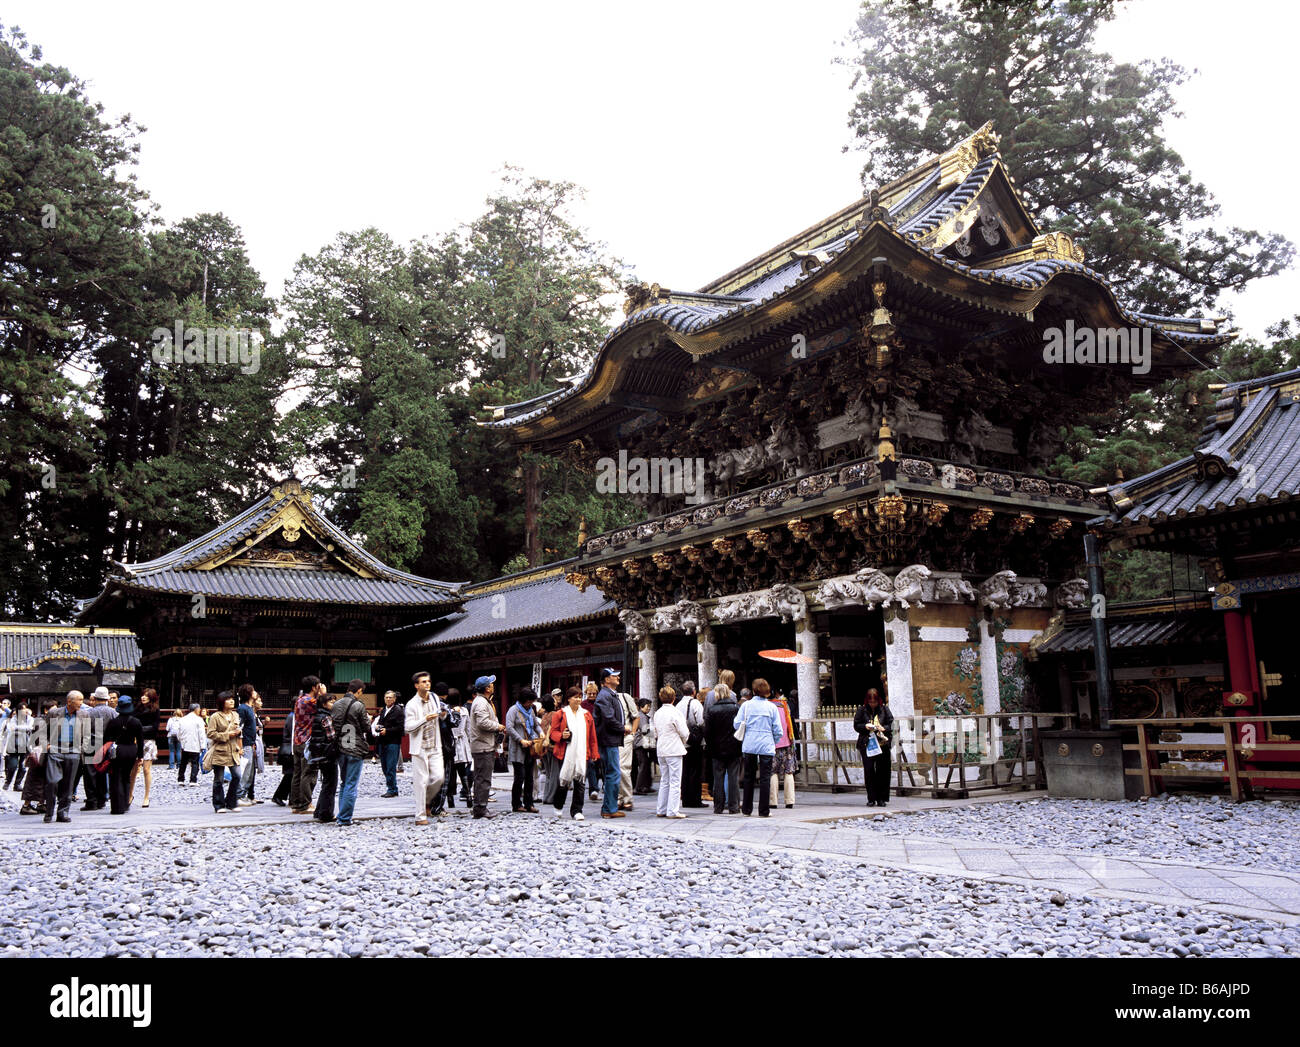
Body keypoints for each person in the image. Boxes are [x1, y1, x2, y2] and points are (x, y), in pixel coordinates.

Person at [735, 678, 783, 818]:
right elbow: (778, 730)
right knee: (765, 778)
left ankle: (747, 809)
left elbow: (736, 724)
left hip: (750, 743)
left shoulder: (746, 706)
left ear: (753, 691)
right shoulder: (772, 707)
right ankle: (764, 810)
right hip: (766, 744)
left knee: (748, 777)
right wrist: (773, 741)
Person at [43, 690, 94, 823]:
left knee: (68, 784)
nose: (82, 703)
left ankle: (63, 813)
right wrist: (46, 744)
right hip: (56, 749)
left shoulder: (84, 714)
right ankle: (48, 812)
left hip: (74, 750)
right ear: (70, 701)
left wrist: (82, 748)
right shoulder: (55, 713)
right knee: (52, 782)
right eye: (80, 700)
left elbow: (87, 734)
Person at [549, 685, 599, 820]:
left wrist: (594, 753)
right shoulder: (560, 714)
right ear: (569, 699)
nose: (578, 700)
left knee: (580, 782)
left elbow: (592, 736)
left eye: (579, 697)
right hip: (565, 752)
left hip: (582, 752)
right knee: (563, 781)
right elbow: (552, 733)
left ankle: (577, 810)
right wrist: (561, 736)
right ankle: (558, 806)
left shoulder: (586, 715)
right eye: (575, 697)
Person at [406, 672, 445, 825]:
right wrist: (424, 719)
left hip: (435, 744)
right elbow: (408, 727)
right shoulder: (411, 704)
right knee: (420, 781)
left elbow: (441, 716)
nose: (427, 684)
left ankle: (426, 800)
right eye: (423, 682)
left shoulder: (435, 698)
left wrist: (443, 714)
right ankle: (420, 816)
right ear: (417, 685)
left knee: (439, 777)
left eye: (428, 681)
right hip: (420, 747)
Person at [333, 679, 373, 827]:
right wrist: (368, 719)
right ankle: (344, 818)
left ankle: (341, 814)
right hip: (355, 746)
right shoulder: (358, 705)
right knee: (351, 783)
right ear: (359, 691)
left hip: (341, 745)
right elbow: (366, 727)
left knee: (344, 783)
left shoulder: (336, 704)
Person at [467, 675, 505, 820]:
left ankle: (479, 807)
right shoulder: (481, 703)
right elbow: (483, 722)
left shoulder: (481, 701)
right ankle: (481, 808)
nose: (493, 685)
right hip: (483, 745)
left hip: (482, 744)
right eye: (491, 684)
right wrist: (498, 726)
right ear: (487, 688)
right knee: (483, 779)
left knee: (480, 778)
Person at [592, 669, 628, 819]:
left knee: (612, 773)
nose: (618, 677)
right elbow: (608, 718)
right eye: (614, 676)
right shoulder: (604, 696)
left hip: (610, 739)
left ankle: (609, 807)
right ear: (606, 680)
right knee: (613, 773)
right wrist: (622, 728)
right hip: (608, 739)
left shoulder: (609, 694)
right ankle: (609, 808)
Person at [290, 676, 325, 814]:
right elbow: (327, 707)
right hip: (307, 741)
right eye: (318, 685)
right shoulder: (310, 701)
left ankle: (296, 804)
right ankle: (305, 803)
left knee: (298, 773)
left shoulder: (299, 699)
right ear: (314, 687)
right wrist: (323, 694)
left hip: (297, 740)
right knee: (309, 773)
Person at [704, 683, 741, 814]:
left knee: (718, 778)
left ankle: (718, 806)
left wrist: (710, 745)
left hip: (716, 748)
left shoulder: (712, 710)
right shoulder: (736, 708)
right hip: (734, 746)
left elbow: (707, 732)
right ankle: (734, 806)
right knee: (733, 777)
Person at [653, 686, 689, 819]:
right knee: (675, 781)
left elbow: (655, 732)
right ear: (674, 698)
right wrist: (683, 740)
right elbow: (684, 732)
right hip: (673, 748)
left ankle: (661, 809)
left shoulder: (657, 713)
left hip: (661, 748)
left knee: (664, 780)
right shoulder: (675, 712)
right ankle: (673, 810)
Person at [854, 688, 894, 806]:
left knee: (883, 771)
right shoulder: (862, 710)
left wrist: (884, 728)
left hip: (882, 744)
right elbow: (856, 725)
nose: (873, 704)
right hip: (867, 743)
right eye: (871, 702)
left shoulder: (884, 710)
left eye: (874, 702)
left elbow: (892, 724)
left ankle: (882, 798)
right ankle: (871, 798)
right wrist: (865, 726)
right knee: (869, 771)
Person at [104, 696, 143, 815]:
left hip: (117, 750)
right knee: (127, 777)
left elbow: (106, 739)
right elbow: (140, 740)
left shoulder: (113, 722)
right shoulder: (136, 722)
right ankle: (126, 803)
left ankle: (117, 806)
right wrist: (140, 756)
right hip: (131, 750)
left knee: (116, 778)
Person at [206, 692, 243, 814]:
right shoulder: (215, 717)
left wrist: (239, 741)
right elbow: (210, 734)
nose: (232, 701)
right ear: (222, 702)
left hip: (233, 749)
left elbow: (239, 732)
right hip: (220, 751)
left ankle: (231, 802)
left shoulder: (235, 715)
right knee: (219, 779)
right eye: (228, 700)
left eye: (232, 699)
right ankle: (218, 804)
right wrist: (227, 735)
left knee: (237, 776)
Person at [19, 699, 57, 815]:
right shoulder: (40, 721)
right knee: (34, 780)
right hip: (40, 754)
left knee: (43, 780)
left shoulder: (49, 721)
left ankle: (41, 803)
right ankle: (26, 805)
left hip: (45, 753)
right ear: (46, 710)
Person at [506, 687, 541, 814]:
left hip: (530, 747)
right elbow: (509, 728)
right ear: (523, 700)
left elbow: (536, 725)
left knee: (530, 777)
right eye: (529, 702)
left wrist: (541, 734)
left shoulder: (530, 710)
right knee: (519, 777)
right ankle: (516, 804)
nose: (530, 704)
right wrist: (521, 740)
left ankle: (529, 803)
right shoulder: (513, 710)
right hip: (518, 749)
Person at [82, 687, 117, 810]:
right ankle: (102, 799)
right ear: (107, 699)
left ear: (95, 698)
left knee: (90, 772)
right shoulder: (113, 712)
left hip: (91, 743)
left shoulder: (89, 713)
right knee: (102, 771)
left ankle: (92, 801)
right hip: (106, 744)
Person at [309, 693, 339, 823]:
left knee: (326, 782)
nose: (333, 704)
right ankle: (326, 813)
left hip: (319, 752)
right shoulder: (326, 718)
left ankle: (319, 810)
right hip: (328, 753)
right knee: (330, 784)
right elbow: (332, 736)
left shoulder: (316, 716)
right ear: (324, 704)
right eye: (331, 702)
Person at [128, 689, 159, 807]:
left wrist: (139, 729)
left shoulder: (155, 710)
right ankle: (130, 794)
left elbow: (155, 727)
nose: (143, 697)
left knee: (146, 769)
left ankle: (146, 796)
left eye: (146, 696)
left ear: (151, 697)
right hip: (136, 740)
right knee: (133, 770)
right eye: (142, 695)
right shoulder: (137, 709)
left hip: (148, 740)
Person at [769, 687, 798, 810]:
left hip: (772, 743)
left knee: (773, 772)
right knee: (789, 771)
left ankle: (773, 801)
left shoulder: (768, 706)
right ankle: (789, 800)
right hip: (787, 742)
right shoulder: (784, 705)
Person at [678, 680, 706, 808]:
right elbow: (701, 721)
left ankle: (686, 799)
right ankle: (695, 800)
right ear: (694, 692)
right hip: (694, 741)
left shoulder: (678, 705)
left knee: (685, 771)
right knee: (695, 771)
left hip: (683, 742)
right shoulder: (695, 703)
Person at [374, 689, 404, 797]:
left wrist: (388, 730)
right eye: (386, 697)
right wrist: (378, 726)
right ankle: (392, 787)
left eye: (390, 697)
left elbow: (401, 728)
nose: (388, 699)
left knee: (391, 766)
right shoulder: (383, 710)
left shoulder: (398, 710)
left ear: (394, 699)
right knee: (384, 766)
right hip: (383, 741)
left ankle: (392, 789)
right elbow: (381, 722)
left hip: (393, 742)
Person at [234, 685, 260, 807]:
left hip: (250, 742)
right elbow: (239, 727)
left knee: (249, 772)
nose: (255, 693)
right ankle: (238, 795)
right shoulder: (243, 709)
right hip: (244, 744)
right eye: (253, 691)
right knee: (245, 771)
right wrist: (240, 745)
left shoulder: (250, 708)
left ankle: (243, 794)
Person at [2, 699, 34, 791]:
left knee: (23, 767)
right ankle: (8, 782)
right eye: (23, 709)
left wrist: (18, 728)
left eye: (26, 708)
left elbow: (30, 727)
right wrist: (23, 728)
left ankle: (17, 784)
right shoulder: (14, 718)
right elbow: (11, 728)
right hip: (14, 745)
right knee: (12, 766)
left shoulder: (30, 718)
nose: (25, 710)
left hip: (26, 745)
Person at [447, 688, 471, 803]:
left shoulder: (446, 711)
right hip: (462, 741)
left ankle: (450, 799)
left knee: (451, 773)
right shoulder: (464, 711)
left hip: (450, 742)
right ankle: (468, 796)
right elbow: (469, 730)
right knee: (463, 771)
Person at [616, 688, 639, 811]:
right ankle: (619, 798)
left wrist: (633, 733)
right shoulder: (604, 698)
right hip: (611, 738)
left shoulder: (625, 697)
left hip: (625, 737)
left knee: (623, 767)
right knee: (614, 768)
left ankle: (627, 798)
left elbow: (636, 716)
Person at [581, 680, 603, 801]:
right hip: (587, 738)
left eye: (594, 694)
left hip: (599, 736)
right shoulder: (583, 705)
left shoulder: (599, 704)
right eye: (590, 694)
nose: (592, 696)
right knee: (591, 764)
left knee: (600, 763)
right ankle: (593, 789)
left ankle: (596, 787)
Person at [537, 693, 560, 806]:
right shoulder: (555, 714)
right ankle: (551, 797)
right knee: (554, 772)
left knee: (548, 773)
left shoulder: (544, 716)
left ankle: (546, 796)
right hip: (552, 746)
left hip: (544, 747)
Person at [175, 704, 205, 784]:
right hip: (195, 744)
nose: (199, 711)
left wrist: (181, 741)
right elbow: (201, 734)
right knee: (195, 763)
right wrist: (203, 745)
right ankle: (193, 780)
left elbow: (178, 732)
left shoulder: (183, 719)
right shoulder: (199, 720)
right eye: (199, 709)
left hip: (185, 744)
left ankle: (180, 779)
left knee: (183, 762)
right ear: (196, 709)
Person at [272, 707, 295, 807]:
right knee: (290, 774)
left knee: (292, 774)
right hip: (290, 749)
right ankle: (279, 795)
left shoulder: (292, 716)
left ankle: (290, 797)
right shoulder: (292, 717)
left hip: (290, 748)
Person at [632, 698, 655, 795]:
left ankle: (645, 785)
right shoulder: (642, 716)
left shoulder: (642, 716)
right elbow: (645, 730)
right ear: (641, 707)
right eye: (647, 706)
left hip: (640, 744)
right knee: (643, 764)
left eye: (650, 706)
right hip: (640, 744)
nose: (649, 708)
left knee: (645, 764)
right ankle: (639, 787)